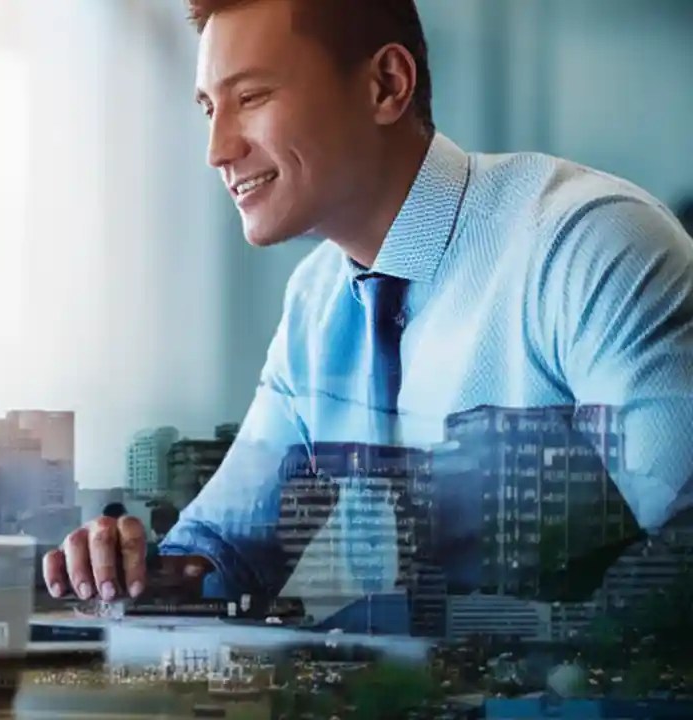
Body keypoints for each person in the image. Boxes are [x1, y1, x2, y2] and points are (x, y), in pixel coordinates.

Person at [42, 0, 693, 604]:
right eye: (210, 108)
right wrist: (126, 569)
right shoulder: (317, 302)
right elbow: (226, 547)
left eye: (252, 96)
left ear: (386, 84)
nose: (218, 150)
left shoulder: (588, 246)